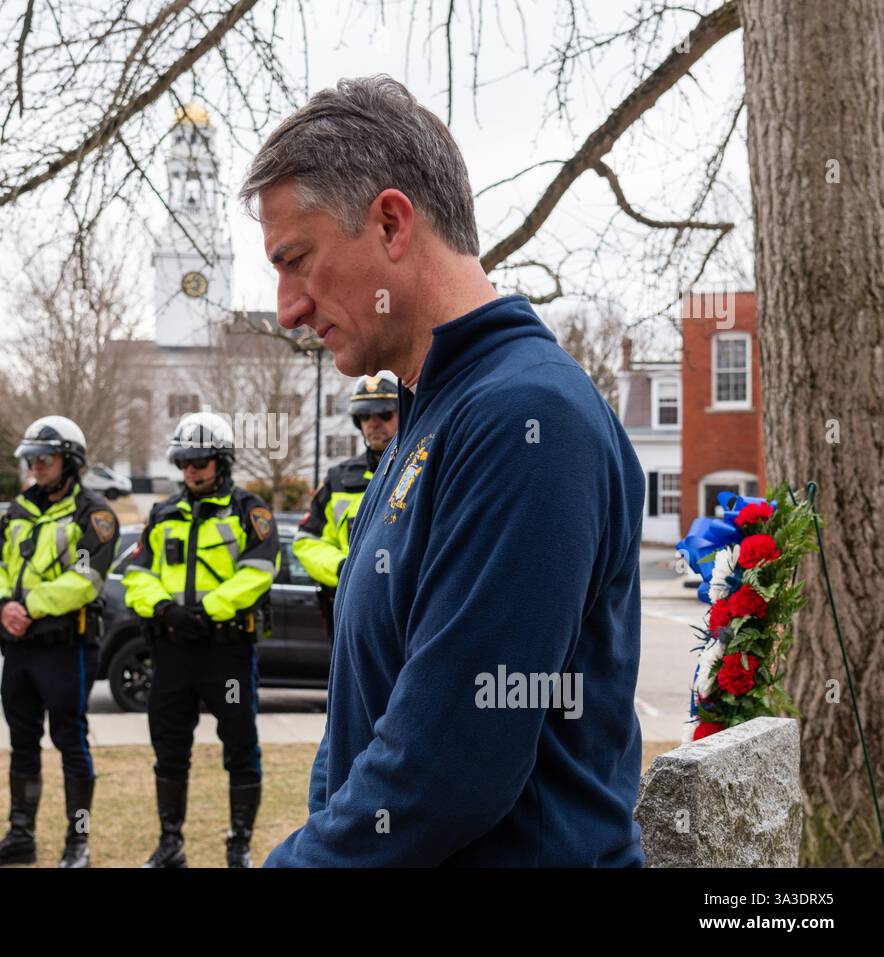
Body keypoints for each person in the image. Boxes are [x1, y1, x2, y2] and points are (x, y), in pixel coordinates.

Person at [242, 75, 645, 866]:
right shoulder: (427, 416)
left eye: (297, 260)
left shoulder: (524, 419)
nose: (287, 307)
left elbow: (446, 770)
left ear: (392, 221)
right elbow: (365, 716)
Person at [122, 412, 279, 868]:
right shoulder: (162, 513)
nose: (191, 470)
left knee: (240, 743)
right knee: (169, 744)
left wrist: (208, 612)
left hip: (225, 649)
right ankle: (170, 843)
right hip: (172, 648)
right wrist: (164, 608)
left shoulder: (251, 511)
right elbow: (135, 574)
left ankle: (239, 843)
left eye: (201, 461)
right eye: (184, 461)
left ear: (221, 462)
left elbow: (259, 572)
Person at [0, 417, 118, 868]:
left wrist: (29, 606)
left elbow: (87, 579)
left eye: (45, 458)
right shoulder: (18, 510)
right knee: (22, 741)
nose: (35, 466)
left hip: (65, 648)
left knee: (70, 741)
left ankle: (78, 842)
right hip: (18, 647)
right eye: (30, 459)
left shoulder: (93, 514)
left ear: (70, 462)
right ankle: (21, 836)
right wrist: (2, 607)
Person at [293, 372, 399, 638]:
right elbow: (307, 542)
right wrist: (345, 568)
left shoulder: (422, 468)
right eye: (365, 416)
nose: (374, 423)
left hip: (405, 610)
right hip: (349, 616)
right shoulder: (337, 480)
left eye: (384, 414)